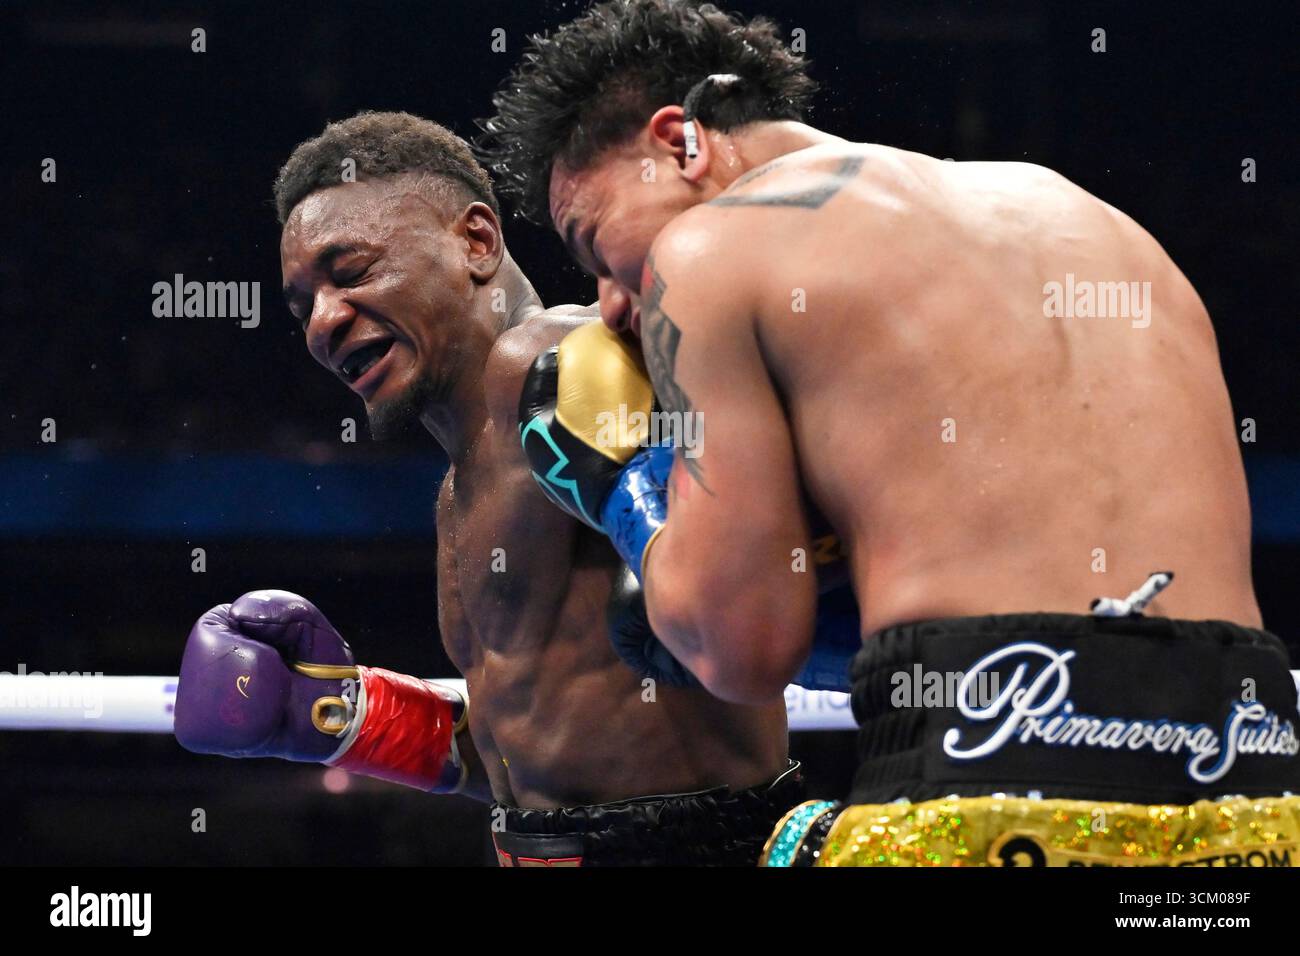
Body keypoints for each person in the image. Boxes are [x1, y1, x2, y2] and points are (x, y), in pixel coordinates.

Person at [481, 0, 1300, 865]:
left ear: (681, 141)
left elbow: (742, 647)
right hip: (1256, 810)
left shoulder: (712, 252)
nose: (609, 299)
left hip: (986, 805)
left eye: (595, 243)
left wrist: (627, 491)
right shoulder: (1087, 214)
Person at [173, 111, 802, 867]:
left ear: (476, 241)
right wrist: (346, 717)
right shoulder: (456, 489)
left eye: (352, 273)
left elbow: (773, 545)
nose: (323, 322)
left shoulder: (567, 360)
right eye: (303, 303)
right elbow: (528, 755)